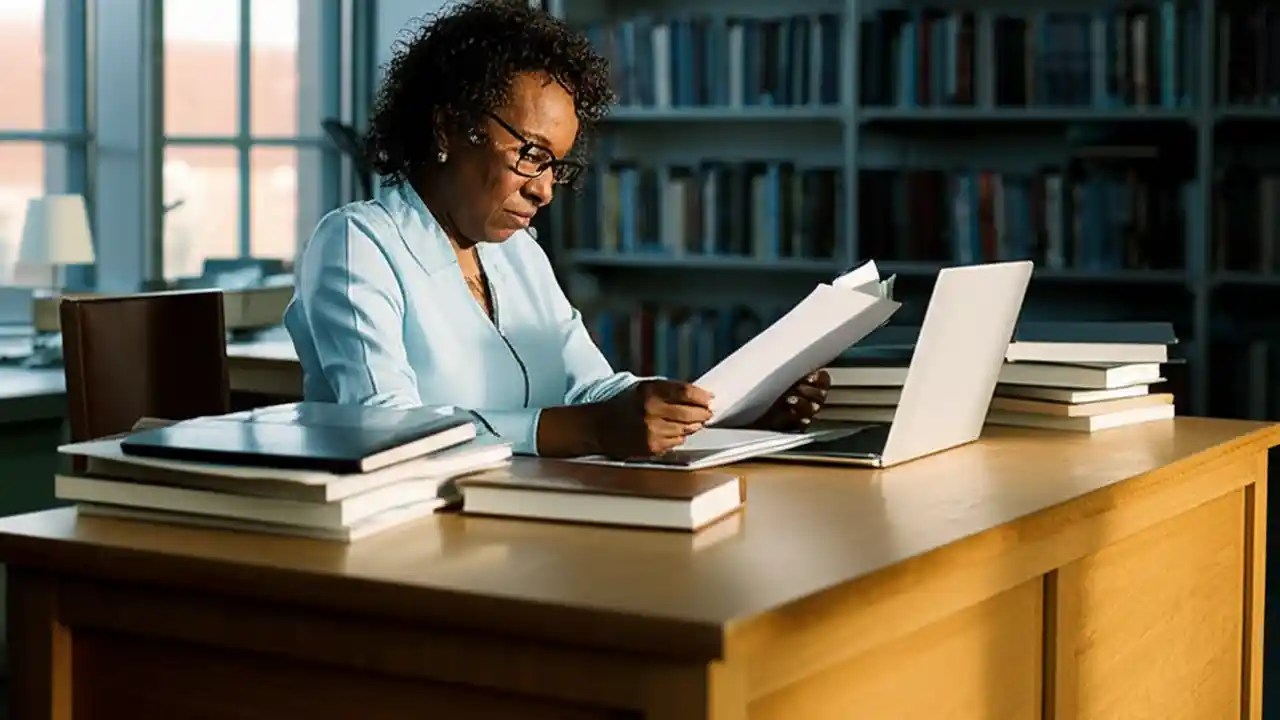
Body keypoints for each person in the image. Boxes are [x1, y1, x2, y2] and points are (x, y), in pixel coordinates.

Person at [284, 0, 830, 459]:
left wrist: (734, 411)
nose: (545, 190)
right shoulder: (359, 243)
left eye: (556, 166)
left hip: (528, 518)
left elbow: (594, 387)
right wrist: (589, 429)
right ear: (450, 126)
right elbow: (387, 431)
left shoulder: (517, 253)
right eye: (531, 155)